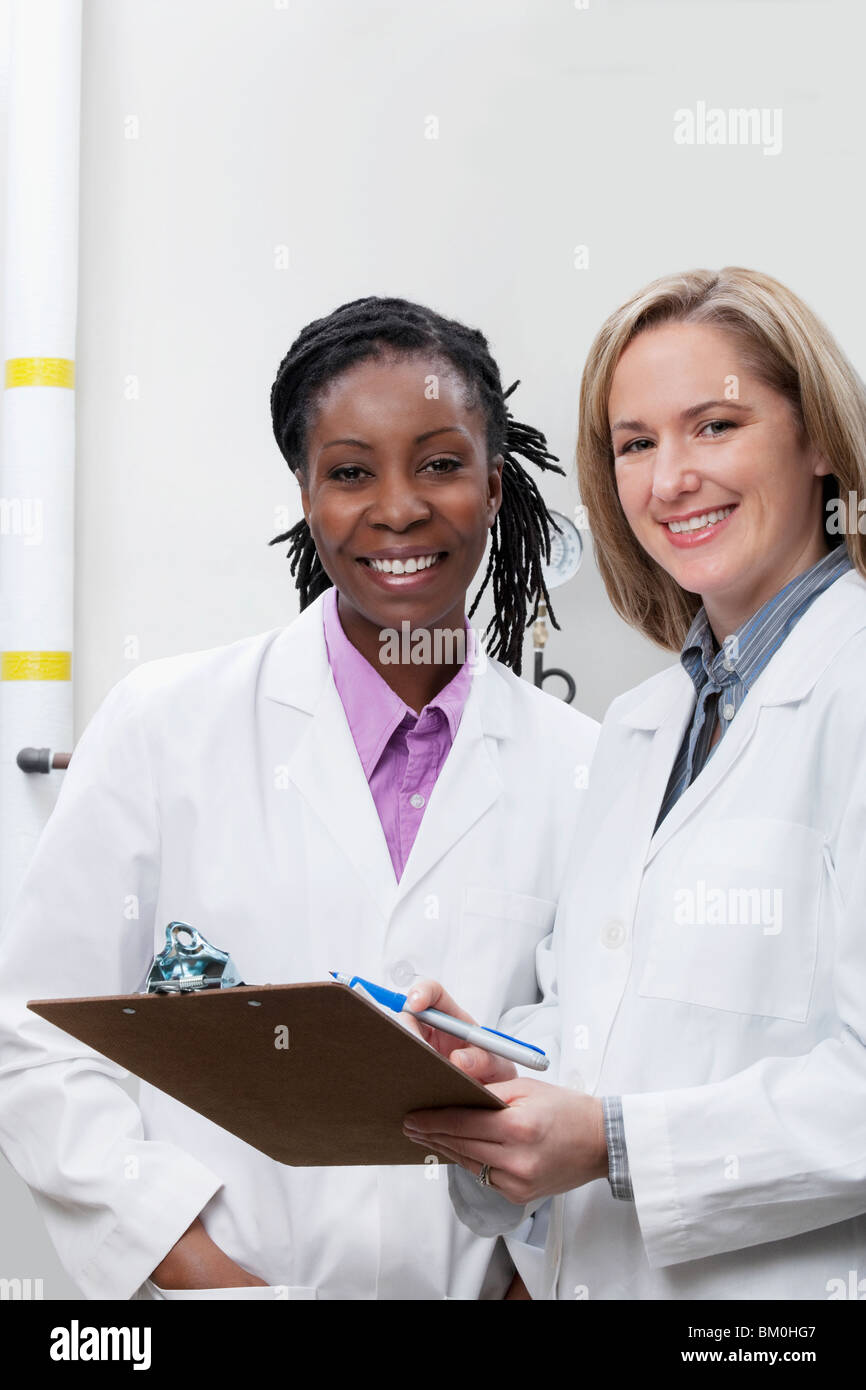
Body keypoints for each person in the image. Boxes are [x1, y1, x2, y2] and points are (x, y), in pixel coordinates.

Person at [0, 295, 598, 1300]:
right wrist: (209, 1282)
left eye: (441, 463)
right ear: (306, 493)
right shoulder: (163, 726)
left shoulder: (584, 771)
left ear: (494, 487)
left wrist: (523, 1283)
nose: (398, 507)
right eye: (351, 471)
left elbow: (591, 1076)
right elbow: (40, 1033)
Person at [403, 267, 866, 1300]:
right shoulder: (641, 727)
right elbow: (602, 1019)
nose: (668, 480)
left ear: (819, 440)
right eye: (635, 443)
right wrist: (483, 1067)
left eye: (713, 426)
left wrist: (613, 1141)